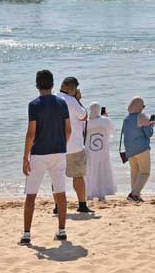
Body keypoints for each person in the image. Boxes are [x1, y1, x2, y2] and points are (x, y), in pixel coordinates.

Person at [21, 70, 71, 245]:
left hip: (39, 154)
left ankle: (27, 234)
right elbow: (68, 129)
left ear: (37, 85)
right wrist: (63, 145)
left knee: (31, 195)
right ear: (52, 84)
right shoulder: (61, 103)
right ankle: (62, 231)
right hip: (58, 152)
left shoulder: (34, 105)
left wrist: (25, 157)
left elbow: (31, 134)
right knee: (60, 193)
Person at [56, 77, 92, 214]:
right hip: (74, 145)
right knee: (78, 176)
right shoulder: (71, 101)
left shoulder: (53, 98)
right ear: (72, 88)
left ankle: (57, 205)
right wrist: (78, 99)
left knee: (57, 176)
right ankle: (82, 204)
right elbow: (84, 116)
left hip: (56, 145)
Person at [122, 97, 154, 202]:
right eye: (143, 106)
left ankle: (136, 195)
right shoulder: (141, 116)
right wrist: (151, 126)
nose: (143, 108)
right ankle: (134, 194)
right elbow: (148, 134)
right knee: (145, 172)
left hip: (129, 150)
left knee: (134, 173)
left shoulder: (126, 119)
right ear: (139, 106)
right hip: (142, 149)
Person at [85, 103, 116, 201]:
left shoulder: (86, 123)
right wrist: (106, 117)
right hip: (103, 150)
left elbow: (82, 135)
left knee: (90, 171)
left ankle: (89, 193)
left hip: (89, 150)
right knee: (102, 170)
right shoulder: (105, 121)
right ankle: (101, 194)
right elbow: (111, 133)